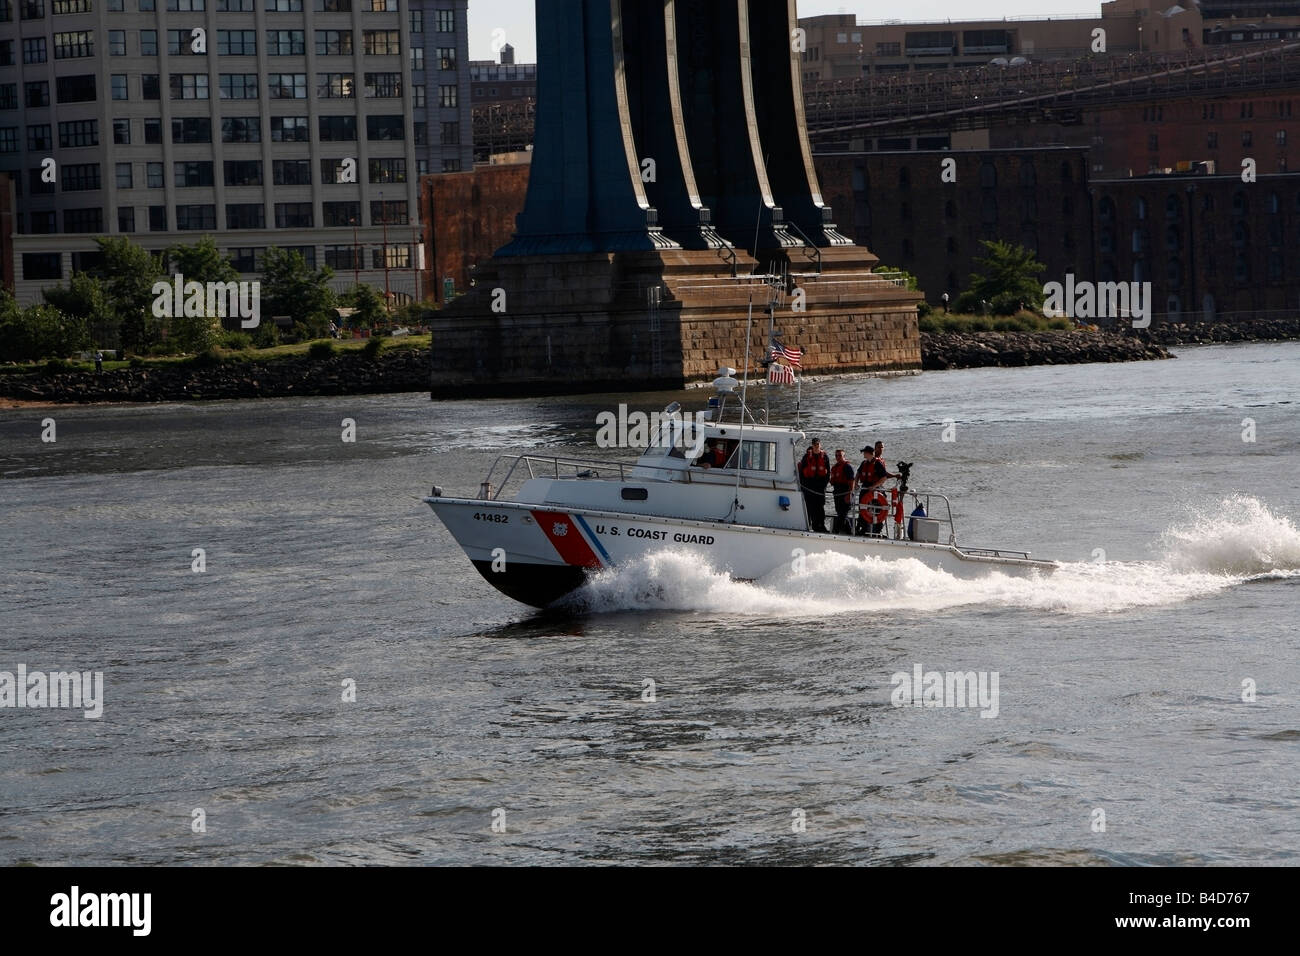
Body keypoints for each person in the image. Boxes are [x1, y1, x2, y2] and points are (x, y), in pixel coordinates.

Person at [866, 440, 902, 537]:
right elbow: (884, 474)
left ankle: (877, 529)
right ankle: (873, 530)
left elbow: (884, 474)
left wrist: (895, 476)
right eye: (878, 447)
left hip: (880, 487)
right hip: (875, 488)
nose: (880, 449)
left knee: (882, 510)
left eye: (882, 447)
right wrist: (895, 475)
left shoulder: (881, 459)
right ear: (875, 448)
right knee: (875, 510)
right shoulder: (874, 460)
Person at [798, 437, 830, 532]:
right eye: (814, 445)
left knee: (820, 507)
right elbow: (801, 473)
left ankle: (821, 525)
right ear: (812, 445)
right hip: (809, 486)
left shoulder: (825, 457)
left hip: (820, 487)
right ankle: (810, 525)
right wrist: (804, 486)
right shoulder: (806, 457)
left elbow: (828, 473)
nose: (816, 446)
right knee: (809, 507)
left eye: (817, 444)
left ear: (820, 445)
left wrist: (824, 485)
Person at [829, 449, 855, 534]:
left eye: (840, 455)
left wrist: (850, 494)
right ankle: (847, 531)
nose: (838, 457)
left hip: (845, 493)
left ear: (844, 456)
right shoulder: (835, 467)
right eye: (836, 455)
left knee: (843, 514)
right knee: (840, 513)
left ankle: (838, 531)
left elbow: (851, 481)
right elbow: (832, 481)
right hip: (837, 493)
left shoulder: (847, 467)